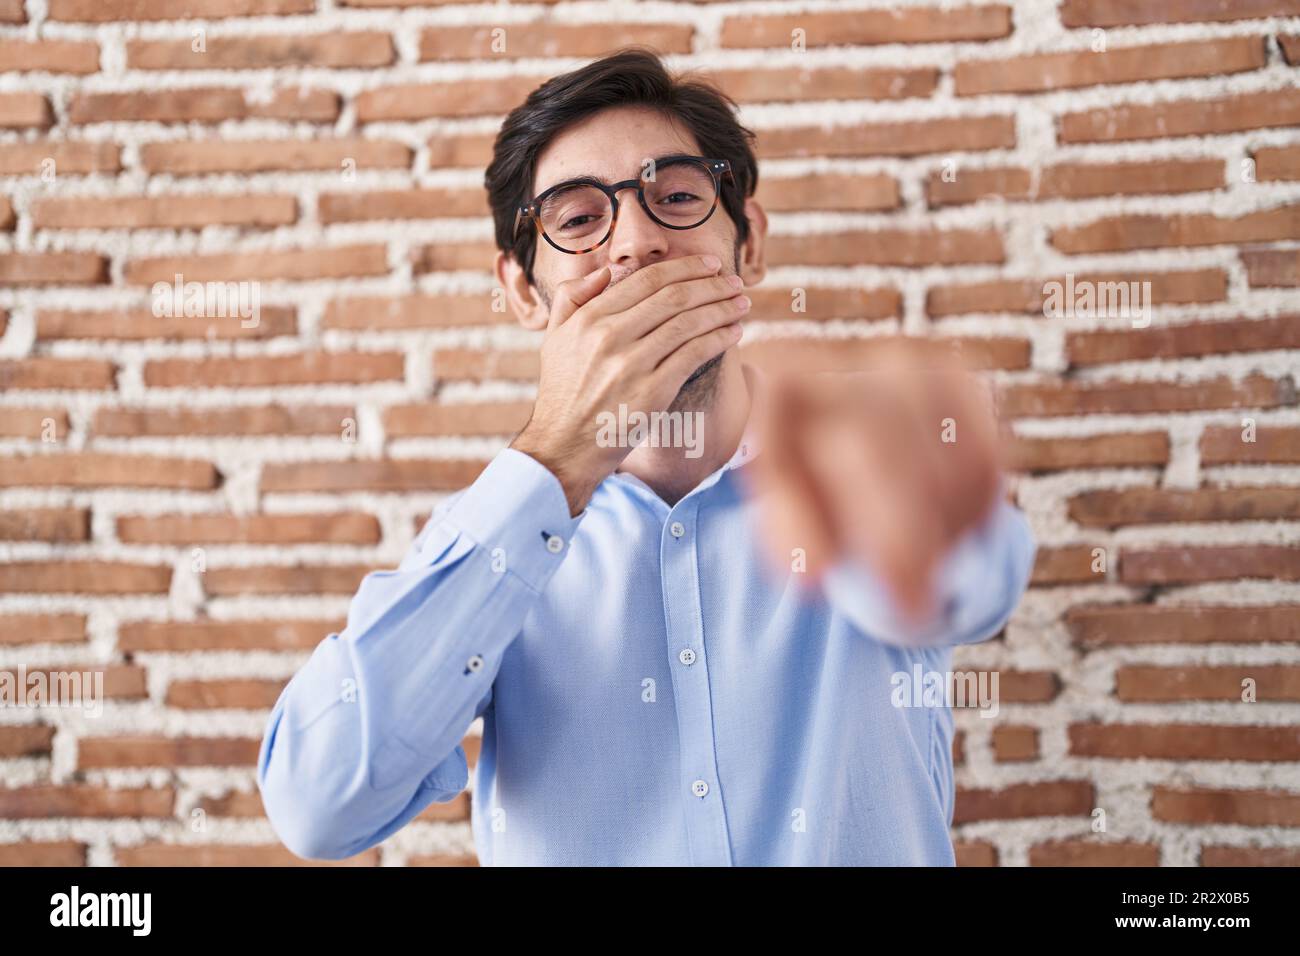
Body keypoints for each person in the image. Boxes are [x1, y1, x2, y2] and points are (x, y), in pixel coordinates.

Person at [257, 47, 1036, 866]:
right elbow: (320, 809)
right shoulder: (488, 549)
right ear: (525, 292)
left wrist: (939, 493)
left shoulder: (853, 461)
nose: (635, 241)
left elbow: (968, 592)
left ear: (750, 244)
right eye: (579, 218)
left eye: (676, 197)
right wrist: (556, 459)